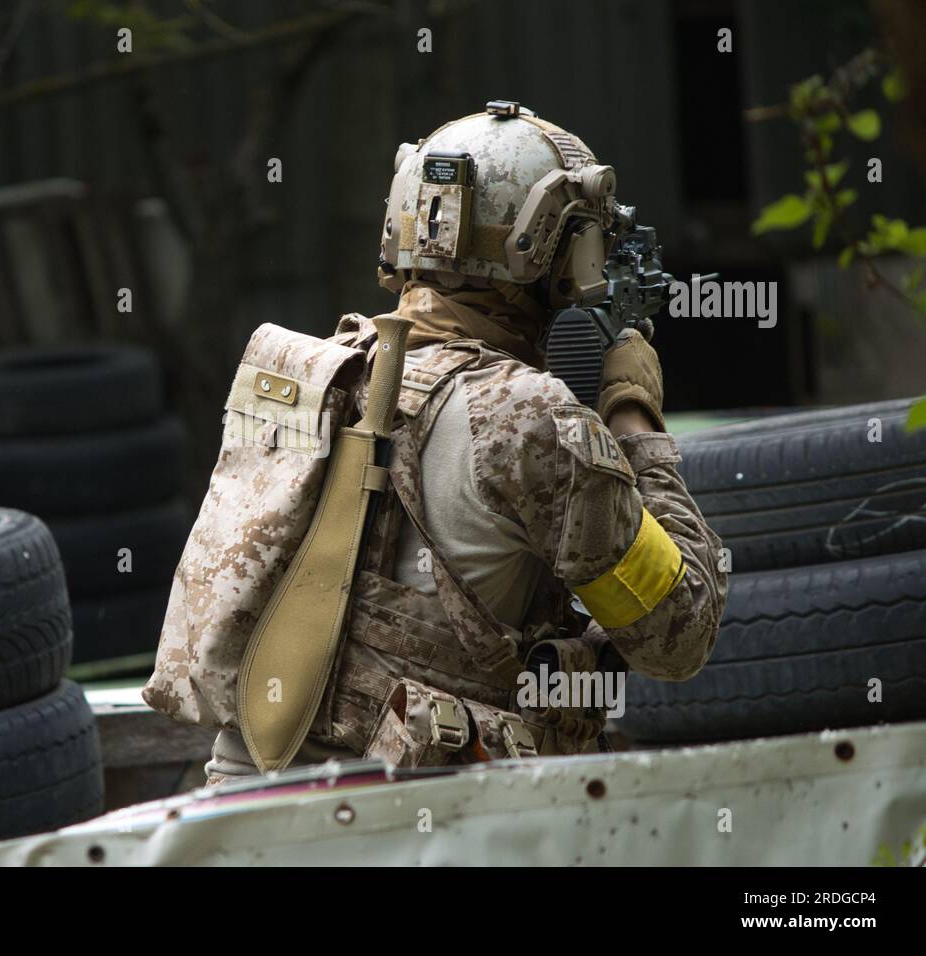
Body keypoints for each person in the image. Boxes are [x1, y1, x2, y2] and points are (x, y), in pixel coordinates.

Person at [203, 102, 728, 783]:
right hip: (398, 828)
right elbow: (678, 636)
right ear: (555, 248)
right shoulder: (528, 418)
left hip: (240, 804)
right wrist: (633, 415)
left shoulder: (310, 373)